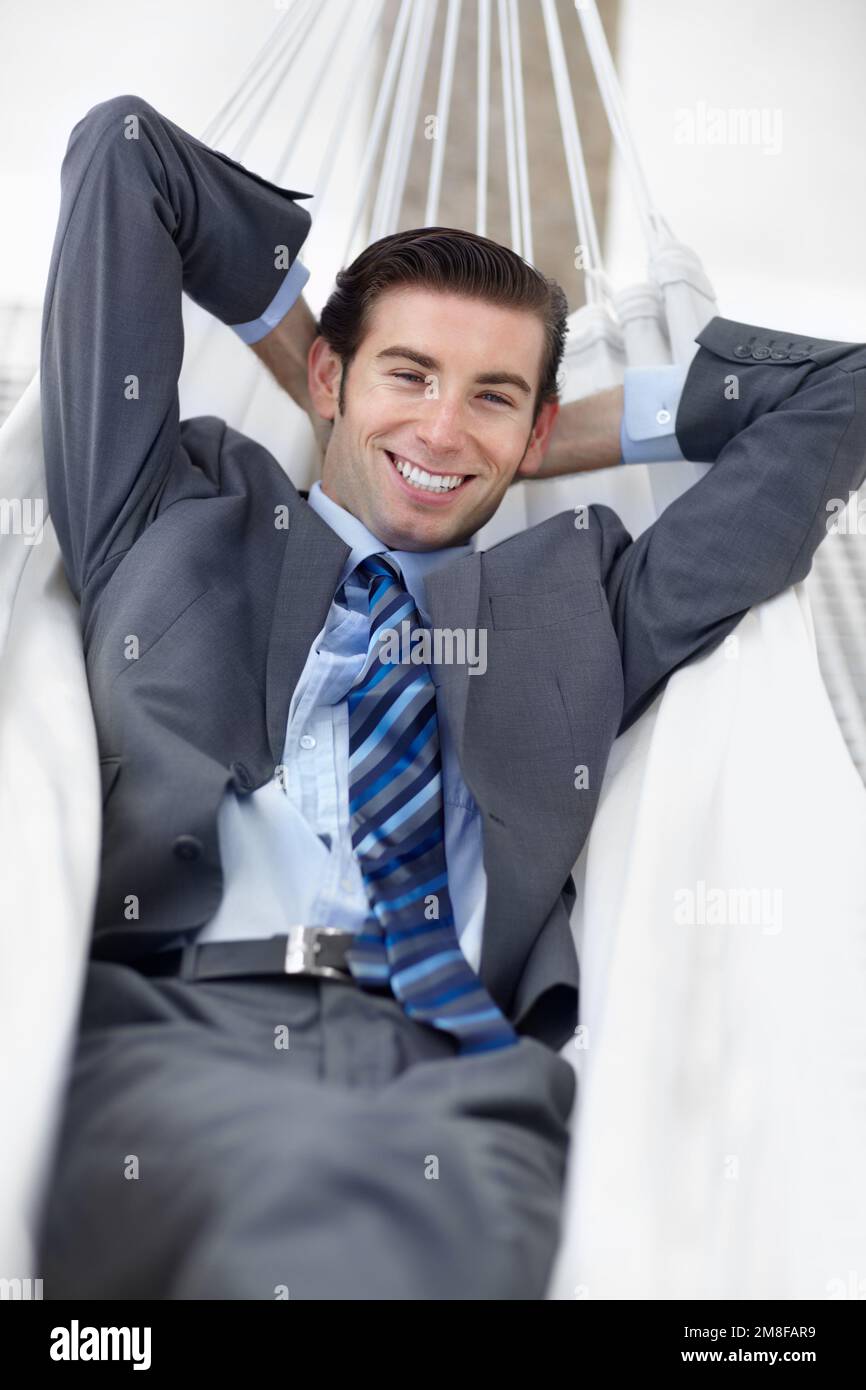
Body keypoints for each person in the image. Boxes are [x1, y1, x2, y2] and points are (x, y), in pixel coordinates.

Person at [34, 94, 866, 1300]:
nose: (439, 422)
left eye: (489, 392)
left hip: (464, 1079)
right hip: (172, 1036)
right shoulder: (169, 512)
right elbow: (125, 155)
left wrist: (529, 439)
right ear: (327, 373)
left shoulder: (584, 602)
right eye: (406, 374)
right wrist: (340, 376)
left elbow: (839, 394)